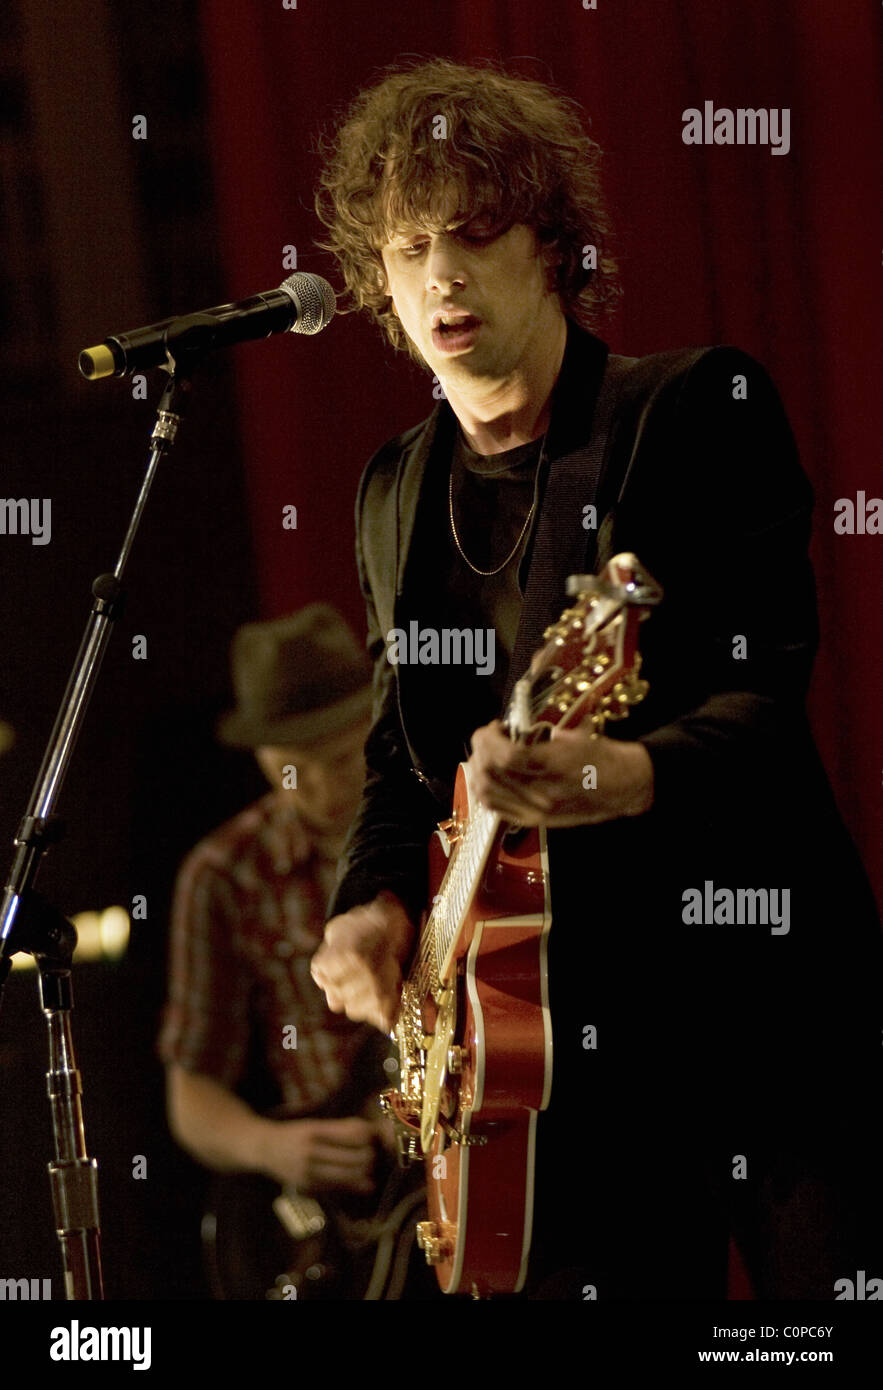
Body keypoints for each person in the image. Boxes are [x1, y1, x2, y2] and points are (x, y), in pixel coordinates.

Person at [308, 57, 883, 1299]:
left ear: (552, 244)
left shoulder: (685, 413)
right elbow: (397, 770)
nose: (441, 278)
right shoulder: (393, 492)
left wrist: (624, 772)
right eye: (408, 248)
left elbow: (766, 696)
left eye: (473, 235)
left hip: (754, 1020)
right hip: (544, 1074)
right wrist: (367, 904)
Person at [158, 605, 429, 1298]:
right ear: (258, 758)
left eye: (342, 759)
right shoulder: (223, 873)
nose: (323, 790)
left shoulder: (437, 828)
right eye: (290, 771)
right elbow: (192, 1093)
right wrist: (274, 1146)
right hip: (349, 1203)